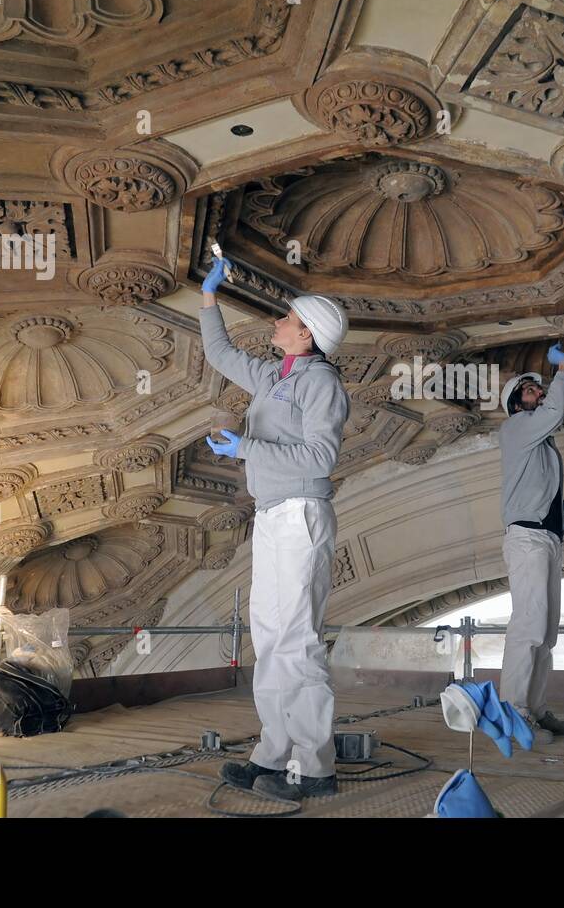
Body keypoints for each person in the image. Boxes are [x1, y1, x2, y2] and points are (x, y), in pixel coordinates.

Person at [198, 248, 350, 801]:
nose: (276, 321)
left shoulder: (320, 384)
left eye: (286, 317)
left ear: (307, 335)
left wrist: (247, 447)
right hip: (272, 515)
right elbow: (218, 351)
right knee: (268, 634)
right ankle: (273, 751)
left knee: (297, 639)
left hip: (301, 515)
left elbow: (318, 459)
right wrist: (209, 294)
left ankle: (314, 765)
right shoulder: (272, 376)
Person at [497, 342, 564, 744]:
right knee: (528, 625)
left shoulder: (542, 445)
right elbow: (554, 411)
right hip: (527, 538)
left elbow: (536, 490)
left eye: (539, 388)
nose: (539, 393)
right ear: (515, 404)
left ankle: (535, 708)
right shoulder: (516, 428)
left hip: (545, 537)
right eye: (531, 390)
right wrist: (561, 371)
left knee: (546, 632)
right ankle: (512, 711)